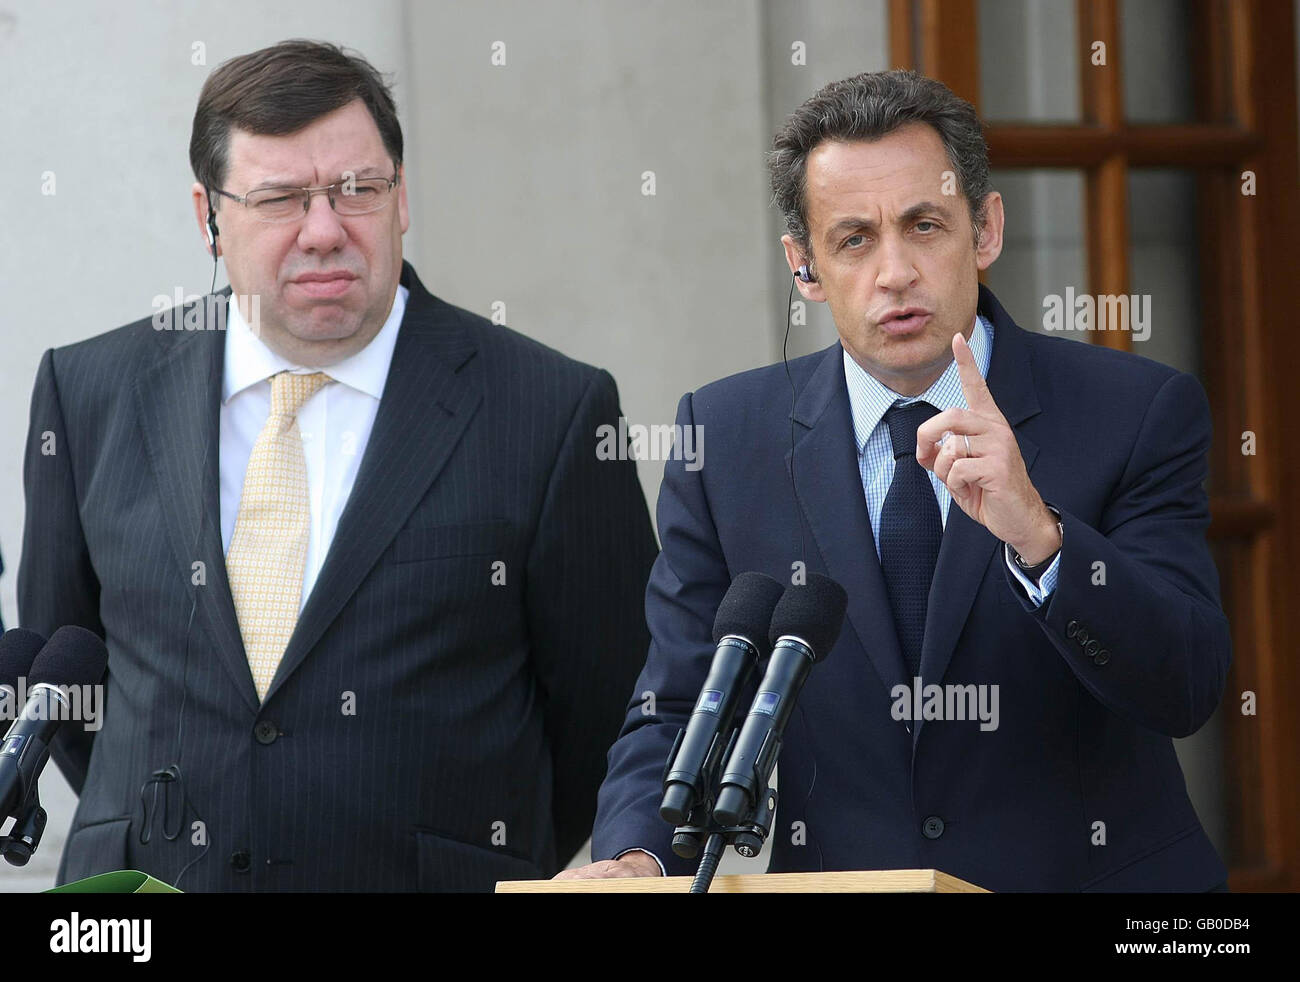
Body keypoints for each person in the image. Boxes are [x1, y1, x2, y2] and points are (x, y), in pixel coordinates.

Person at [565, 70, 1232, 891]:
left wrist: (1043, 540)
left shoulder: (1134, 411)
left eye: (924, 226)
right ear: (804, 266)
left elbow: (1187, 687)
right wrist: (636, 855)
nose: (895, 272)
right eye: (853, 239)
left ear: (984, 230)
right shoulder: (725, 436)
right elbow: (679, 704)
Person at [19, 40, 657, 892]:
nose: (325, 231)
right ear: (208, 216)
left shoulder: (548, 410)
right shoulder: (88, 391)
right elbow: (65, 673)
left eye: (358, 190)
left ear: (401, 199)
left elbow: (615, 711)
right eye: (281, 198)